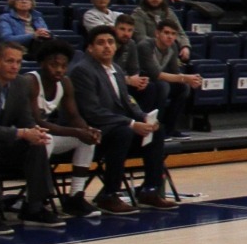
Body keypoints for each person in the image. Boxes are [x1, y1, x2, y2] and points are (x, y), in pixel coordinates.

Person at [69, 25, 175, 214]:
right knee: (124, 132)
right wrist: (132, 124)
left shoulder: (116, 69)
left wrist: (144, 117)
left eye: (110, 42)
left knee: (157, 130)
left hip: (118, 128)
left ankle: (150, 190)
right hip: (95, 131)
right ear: (90, 48)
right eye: (101, 43)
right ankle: (109, 195)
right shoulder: (82, 70)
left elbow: (128, 102)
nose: (107, 46)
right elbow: (93, 112)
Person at [0, 42, 64, 231]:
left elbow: (26, 119)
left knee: (37, 143)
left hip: (4, 143)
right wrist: (21, 133)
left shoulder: (20, 83)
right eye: (10, 61)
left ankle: (34, 207)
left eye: (18, 62)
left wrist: (35, 131)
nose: (15, 66)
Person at [22, 43, 102, 217]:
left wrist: (87, 130)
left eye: (64, 66)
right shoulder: (30, 81)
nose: (59, 70)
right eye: (54, 65)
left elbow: (74, 116)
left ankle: (75, 197)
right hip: (22, 138)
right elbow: (37, 122)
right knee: (46, 140)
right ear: (42, 63)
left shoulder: (65, 83)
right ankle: (32, 202)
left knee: (86, 141)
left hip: (43, 136)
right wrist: (77, 132)